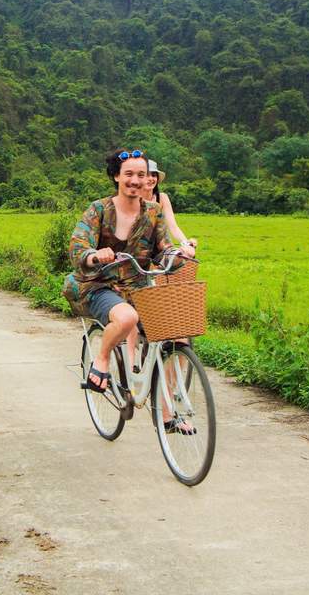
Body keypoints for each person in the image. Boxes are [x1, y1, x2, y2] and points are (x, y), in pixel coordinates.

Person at [63, 149, 196, 425]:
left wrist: (177, 255)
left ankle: (167, 414)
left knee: (178, 337)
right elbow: (78, 246)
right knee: (127, 318)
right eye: (129, 174)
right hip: (99, 285)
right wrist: (94, 255)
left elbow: (162, 249)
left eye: (141, 175)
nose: (135, 180)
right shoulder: (99, 209)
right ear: (116, 176)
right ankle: (101, 360)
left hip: (138, 287)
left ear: (148, 179)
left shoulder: (153, 212)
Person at [145, 160, 196, 251]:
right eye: (146, 175)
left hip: (161, 246)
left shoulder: (162, 198)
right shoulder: (132, 198)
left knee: (185, 255)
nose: (151, 179)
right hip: (136, 248)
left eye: (153, 175)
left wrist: (186, 243)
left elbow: (173, 226)